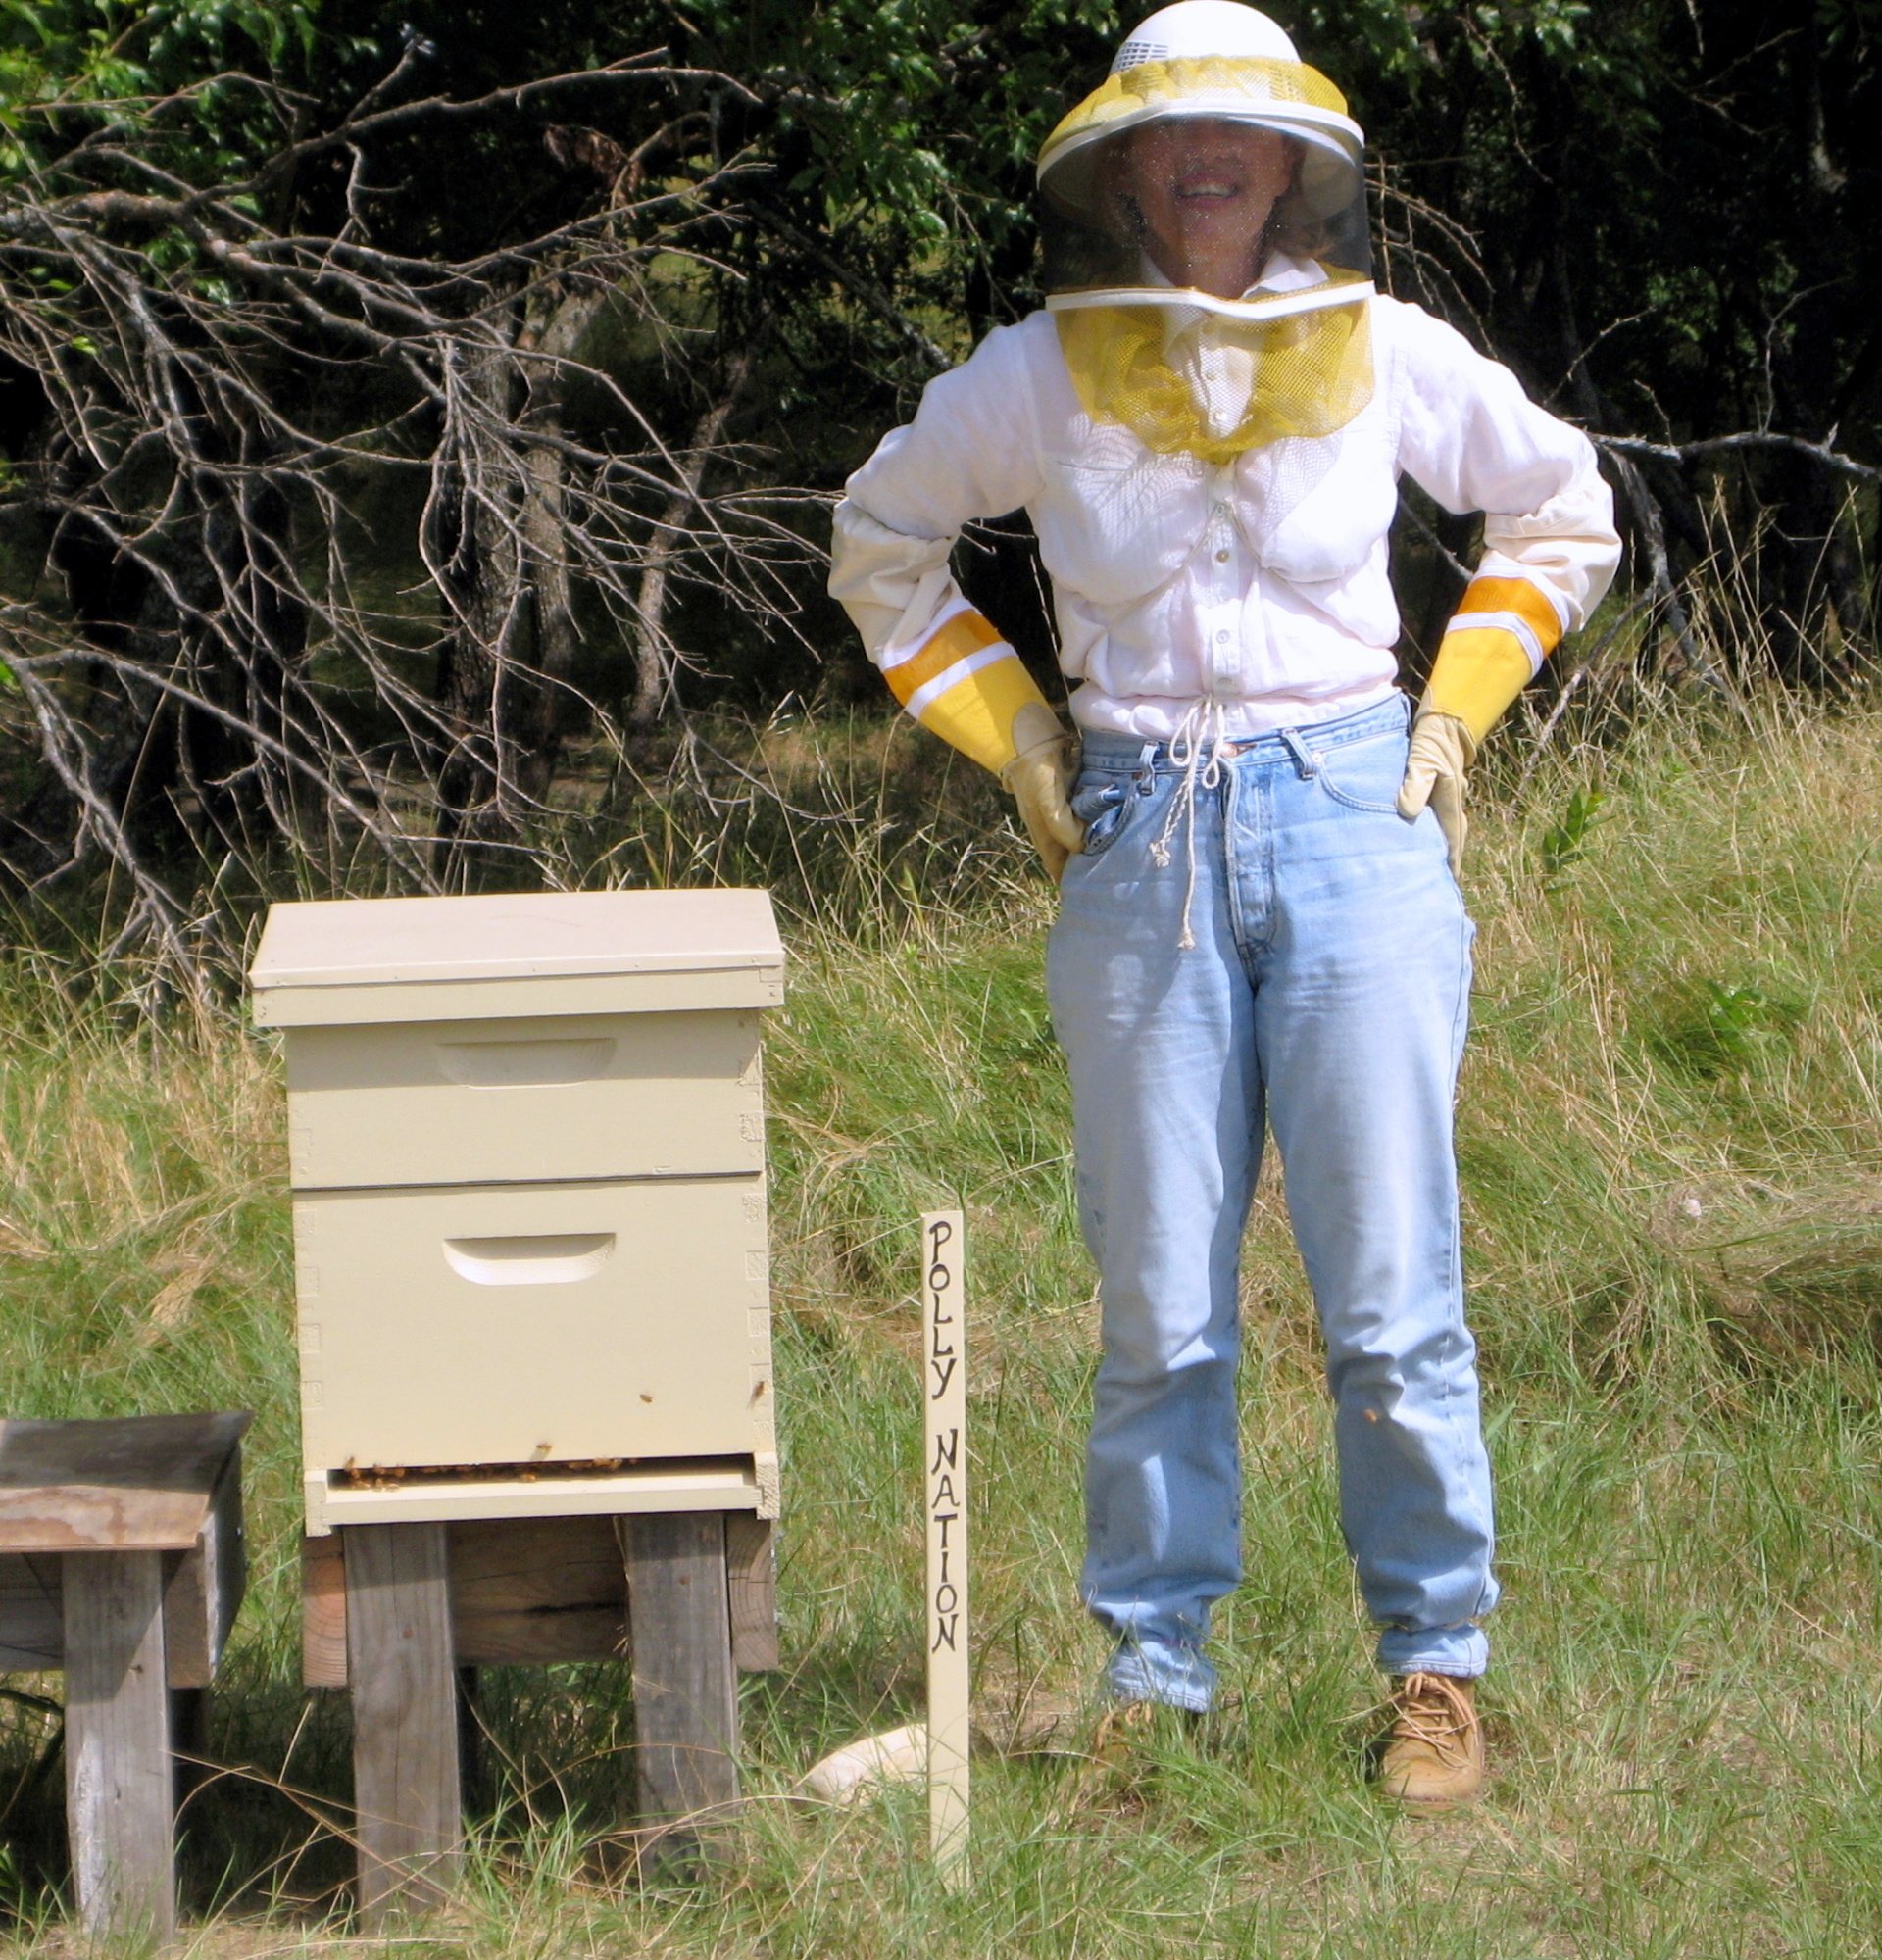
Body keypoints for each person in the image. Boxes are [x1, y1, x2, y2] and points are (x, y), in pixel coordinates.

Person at [828, 0, 1620, 1807]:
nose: (1209, 164)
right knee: (1160, 1301)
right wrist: (1019, 738)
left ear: (1296, 167)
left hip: (1354, 809)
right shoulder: (1036, 371)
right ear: (1121, 166)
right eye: (1179, 139)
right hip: (1136, 836)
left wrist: (1458, 707)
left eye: (1244, 140)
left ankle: (1435, 1673)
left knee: (1393, 1292)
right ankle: (1153, 1677)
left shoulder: (1385, 346)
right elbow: (881, 544)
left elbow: (1563, 512)